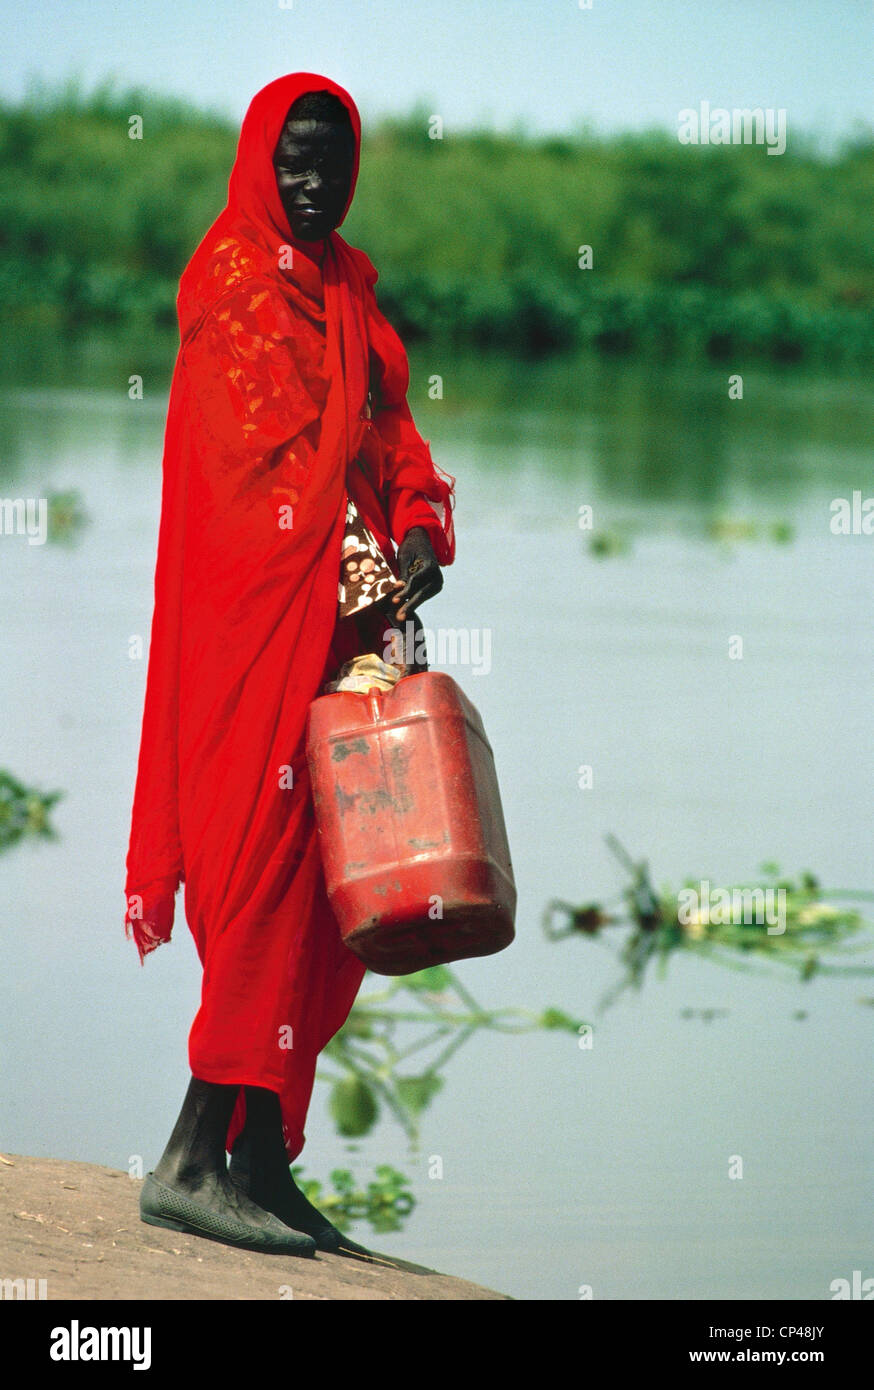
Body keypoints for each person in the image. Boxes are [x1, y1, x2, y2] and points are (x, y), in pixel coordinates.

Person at [123, 73, 455, 1258]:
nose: (312, 184)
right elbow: (251, 485)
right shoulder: (224, 287)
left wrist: (414, 525)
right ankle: (185, 1162)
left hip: (339, 634)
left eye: (332, 164)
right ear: (260, 165)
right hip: (252, 638)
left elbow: (385, 434)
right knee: (263, 878)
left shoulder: (351, 291)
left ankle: (261, 1169)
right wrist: (345, 556)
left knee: (324, 897)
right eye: (293, 163)